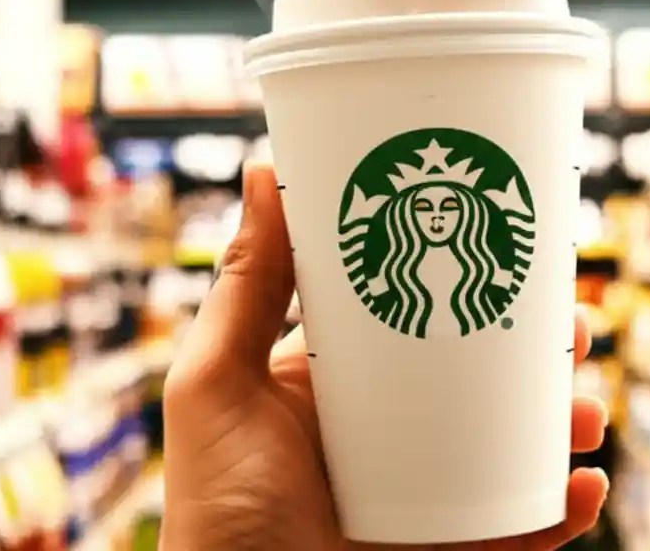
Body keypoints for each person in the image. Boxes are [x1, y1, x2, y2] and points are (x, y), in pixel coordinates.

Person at [162, 164, 611, 549]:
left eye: (450, 206)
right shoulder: (397, 277)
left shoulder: (478, 275)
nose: (437, 219)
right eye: (423, 207)